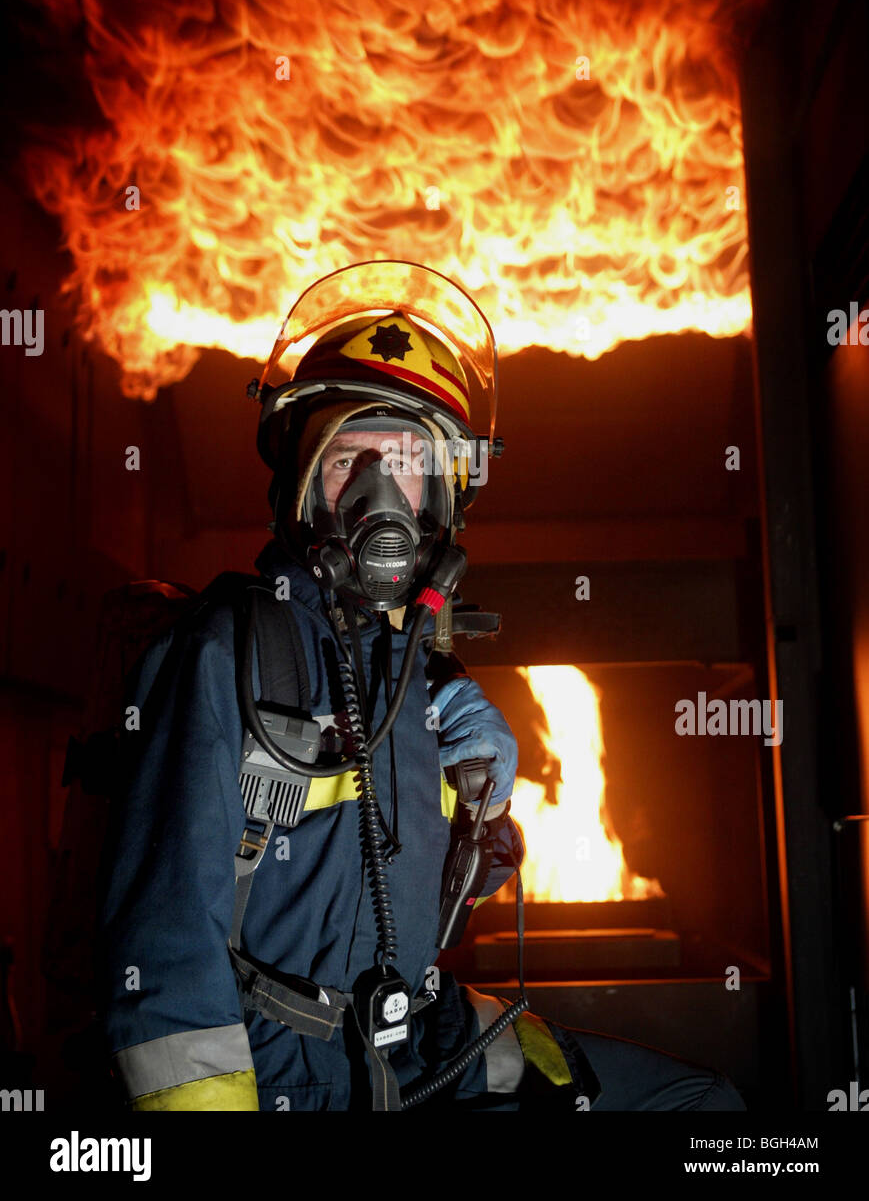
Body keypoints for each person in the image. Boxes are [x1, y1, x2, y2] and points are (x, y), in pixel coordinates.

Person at [96, 260, 745, 1112]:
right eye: (346, 461)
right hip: (291, 1069)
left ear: (441, 493)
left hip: (412, 1043)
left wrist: (483, 810)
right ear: (300, 484)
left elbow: (427, 892)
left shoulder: (410, 666)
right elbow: (164, 949)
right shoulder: (229, 653)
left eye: (402, 460)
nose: (376, 496)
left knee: (701, 1105)